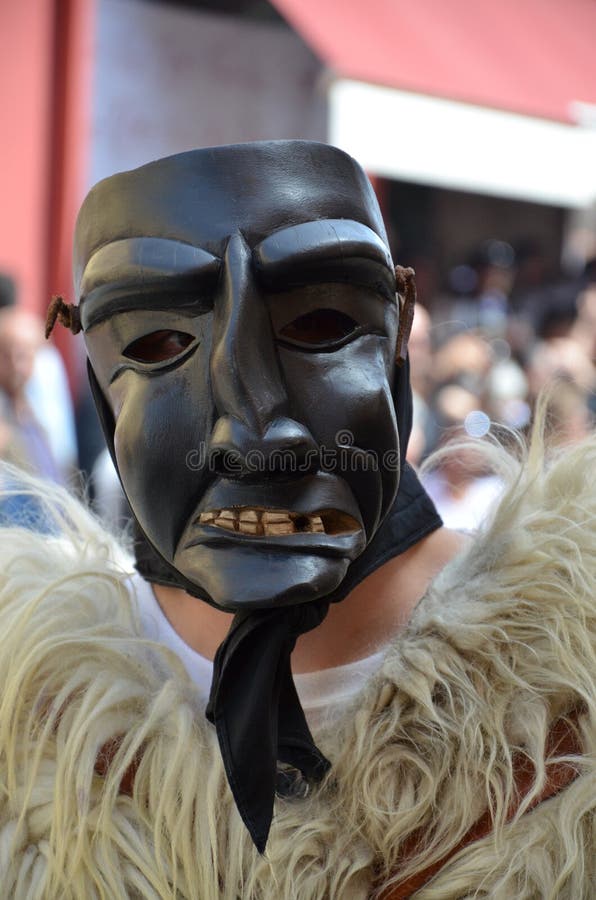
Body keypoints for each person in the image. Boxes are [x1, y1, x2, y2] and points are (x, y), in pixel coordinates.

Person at [1, 141, 594, 898]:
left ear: (397, 346)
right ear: (101, 387)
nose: (253, 433)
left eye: (319, 326)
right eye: (160, 345)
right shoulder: (29, 728)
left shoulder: (573, 698)